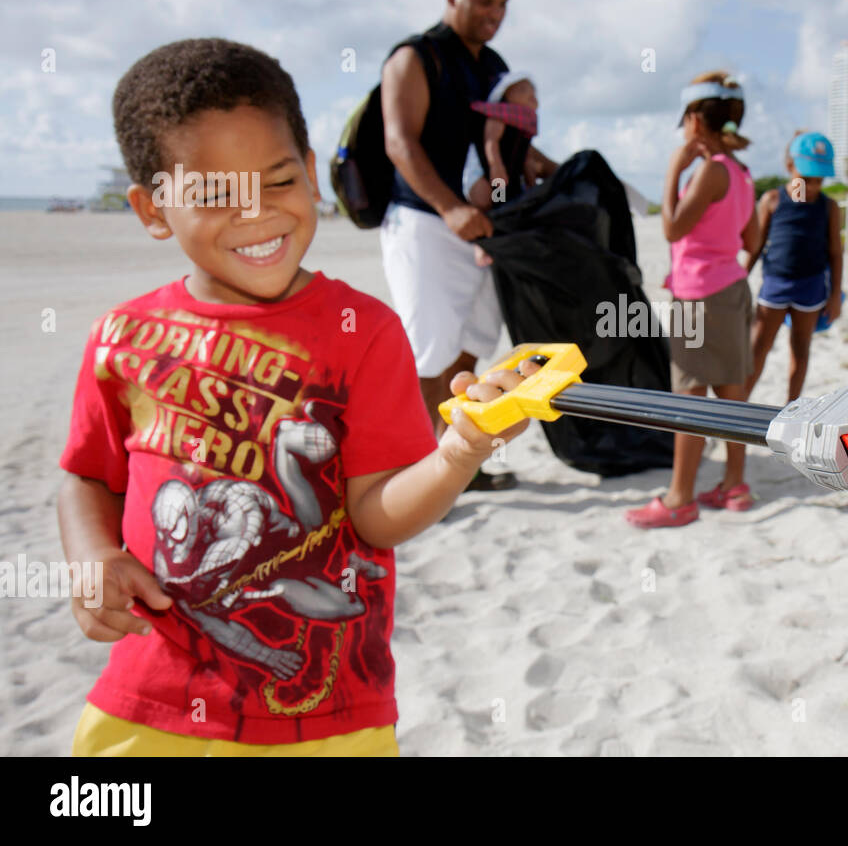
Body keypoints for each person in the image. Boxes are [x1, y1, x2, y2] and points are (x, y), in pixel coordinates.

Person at [57, 37, 535, 756]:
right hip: (148, 702)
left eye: (278, 181)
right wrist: (92, 555)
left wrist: (462, 449)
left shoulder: (364, 333)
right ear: (153, 210)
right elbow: (85, 473)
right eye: (217, 194)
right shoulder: (122, 337)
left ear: (311, 174)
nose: (257, 215)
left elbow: (375, 518)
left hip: (324, 713)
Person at [378, 0, 557, 491]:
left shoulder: (494, 67)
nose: (494, 13)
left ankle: (455, 461)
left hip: (484, 231)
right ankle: (412, 472)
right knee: (428, 352)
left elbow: (509, 141)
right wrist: (449, 207)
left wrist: (550, 170)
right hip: (423, 222)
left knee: (468, 347)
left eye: (502, 4)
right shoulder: (416, 56)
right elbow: (399, 142)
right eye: (483, 1)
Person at [625, 72, 759, 528]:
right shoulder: (741, 172)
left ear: (696, 120)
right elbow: (750, 235)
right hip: (733, 287)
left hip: (700, 294)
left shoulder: (710, 170)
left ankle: (680, 497)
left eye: (684, 120)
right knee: (732, 390)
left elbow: (671, 228)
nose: (682, 130)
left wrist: (672, 171)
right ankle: (734, 484)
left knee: (688, 395)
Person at [745, 131, 843, 403]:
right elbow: (756, 245)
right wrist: (741, 278)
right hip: (775, 285)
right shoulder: (772, 201)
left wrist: (835, 295)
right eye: (806, 179)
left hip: (811, 288)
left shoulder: (829, 207)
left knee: (800, 351)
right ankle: (738, 404)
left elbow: (835, 252)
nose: (812, 186)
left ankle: (793, 409)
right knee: (757, 348)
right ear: (789, 167)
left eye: (819, 180)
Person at [464, 71, 541, 209]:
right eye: (523, 90)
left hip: (511, 173)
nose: (531, 95)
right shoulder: (500, 114)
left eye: (533, 92)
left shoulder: (524, 124)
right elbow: (491, 141)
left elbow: (526, 155)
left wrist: (531, 180)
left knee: (511, 196)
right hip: (490, 168)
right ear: (505, 94)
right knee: (493, 197)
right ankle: (497, 211)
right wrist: (495, 165)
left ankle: (503, 211)